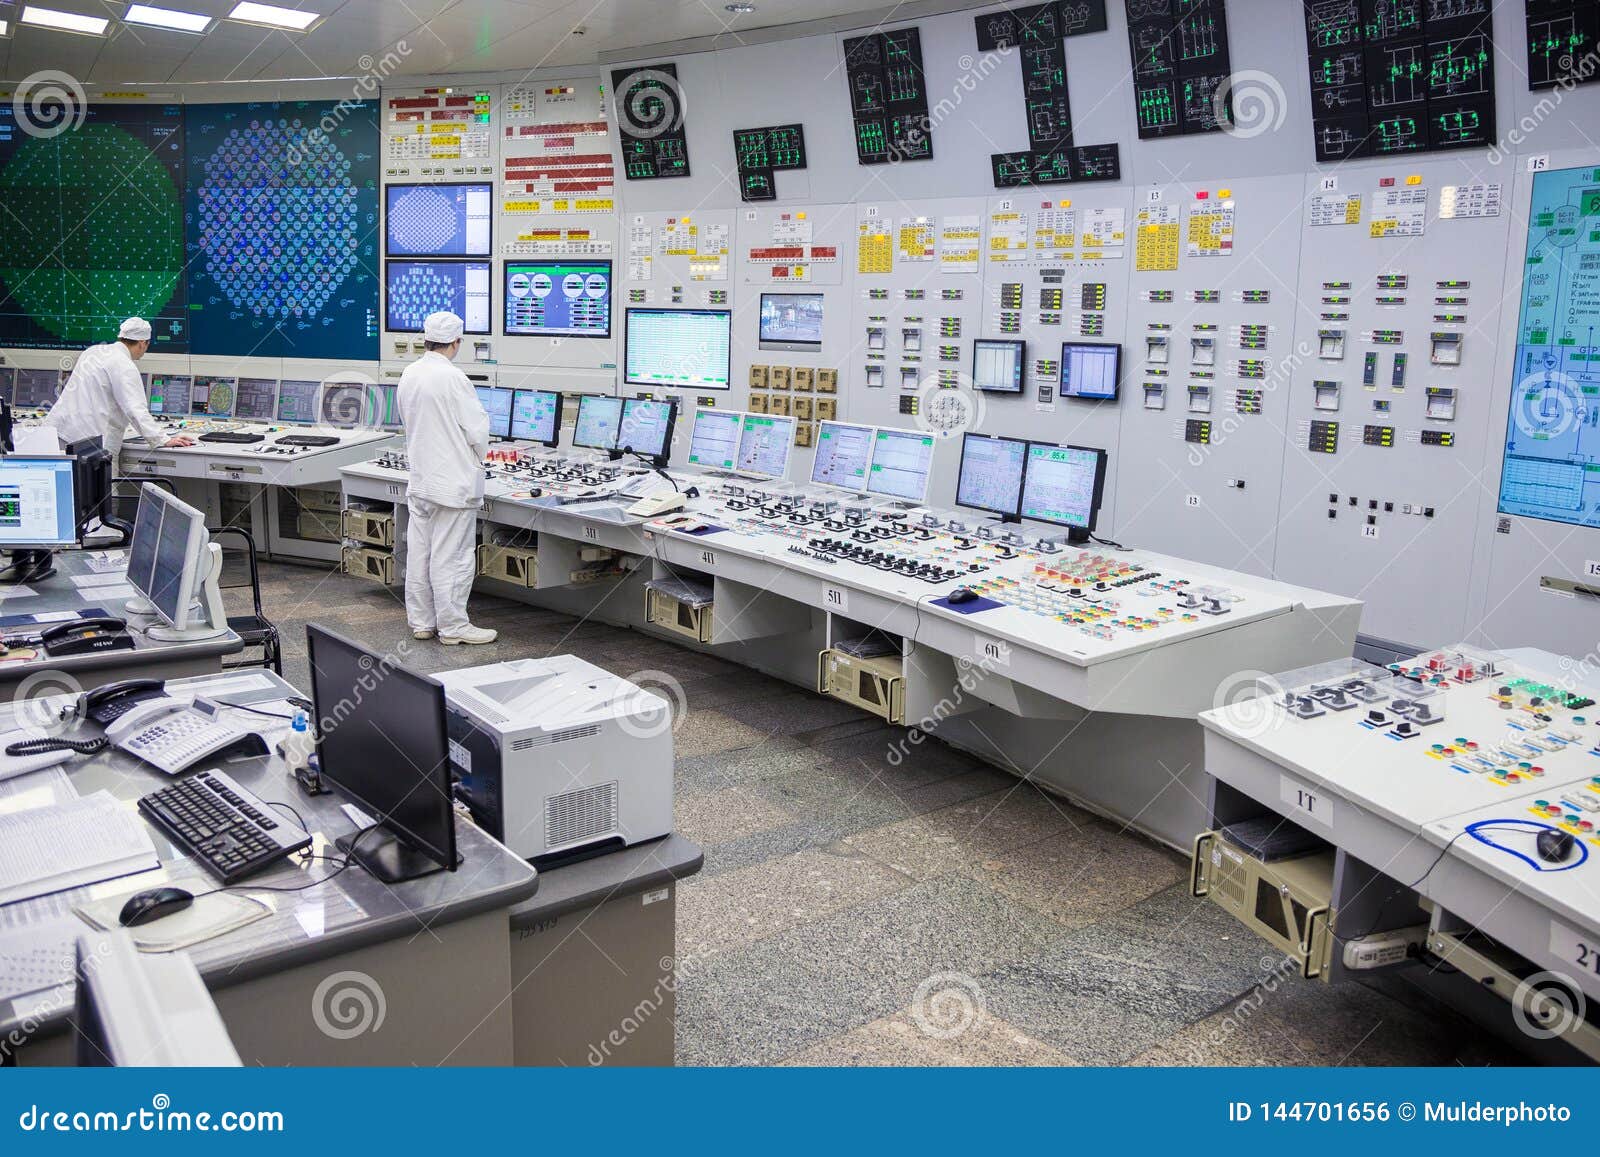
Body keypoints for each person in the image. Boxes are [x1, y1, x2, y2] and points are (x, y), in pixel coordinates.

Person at [396, 311, 496, 646]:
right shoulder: (454, 378)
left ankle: (422, 622)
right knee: (451, 557)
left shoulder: (409, 373)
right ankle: (453, 628)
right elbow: (477, 430)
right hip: (452, 486)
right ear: (456, 343)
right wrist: (479, 458)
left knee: (420, 556)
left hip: (421, 481)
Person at [44, 317, 195, 455]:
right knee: (96, 485)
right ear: (142, 343)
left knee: (65, 483)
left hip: (60, 432)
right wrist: (162, 439)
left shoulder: (93, 352)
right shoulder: (124, 365)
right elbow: (135, 409)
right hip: (88, 443)